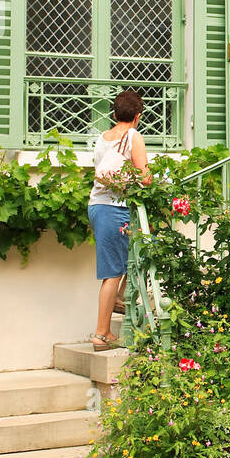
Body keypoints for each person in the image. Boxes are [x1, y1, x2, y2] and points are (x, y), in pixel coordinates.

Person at [87, 90, 150, 350]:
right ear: (137, 116)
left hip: (99, 207)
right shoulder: (133, 136)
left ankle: (120, 297)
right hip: (115, 209)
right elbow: (145, 178)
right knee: (113, 272)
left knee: (141, 249)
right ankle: (101, 334)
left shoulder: (102, 138)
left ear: (114, 114)